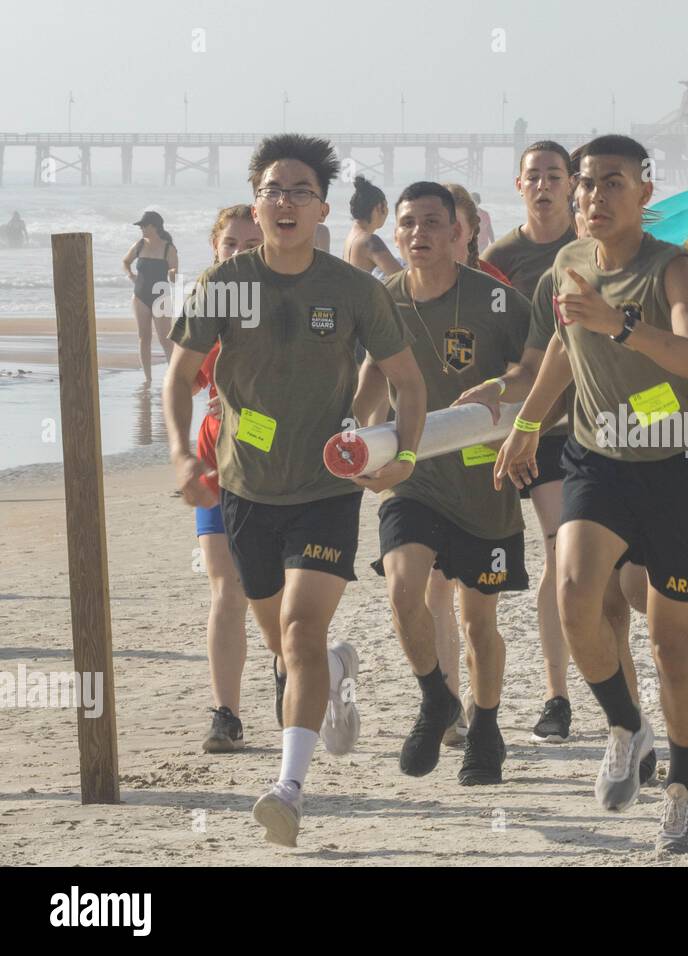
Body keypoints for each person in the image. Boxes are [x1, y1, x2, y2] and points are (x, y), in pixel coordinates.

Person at [164, 134, 427, 847]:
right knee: (286, 646)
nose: (284, 203)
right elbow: (178, 375)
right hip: (246, 489)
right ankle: (337, 668)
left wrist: (400, 454)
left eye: (300, 192)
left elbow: (406, 381)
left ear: (321, 209)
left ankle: (288, 788)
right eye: (273, 190)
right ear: (257, 200)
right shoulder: (225, 283)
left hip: (326, 485)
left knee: (300, 631)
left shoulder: (352, 290)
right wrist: (182, 452)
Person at [495, 134, 688, 855]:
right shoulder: (568, 264)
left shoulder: (676, 270)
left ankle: (684, 789)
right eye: (586, 184)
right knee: (574, 594)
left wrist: (619, 323)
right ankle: (625, 724)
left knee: (671, 645)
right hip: (598, 458)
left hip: (677, 466)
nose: (593, 197)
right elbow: (567, 345)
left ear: (645, 193)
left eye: (611, 184)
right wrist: (529, 423)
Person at [352, 181, 532, 785]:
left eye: (433, 223)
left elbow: (536, 373)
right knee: (404, 586)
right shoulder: (385, 301)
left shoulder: (497, 301)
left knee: (479, 621)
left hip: (485, 480)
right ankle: (435, 698)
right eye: (408, 224)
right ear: (395, 233)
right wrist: (359, 440)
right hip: (414, 475)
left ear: (459, 232)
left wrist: (502, 397)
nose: (419, 234)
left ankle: (486, 723)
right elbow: (374, 381)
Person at [481, 142, 585, 741]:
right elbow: (490, 340)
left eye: (555, 175)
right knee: (538, 557)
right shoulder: (503, 258)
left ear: (572, 183)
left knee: (570, 558)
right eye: (534, 177)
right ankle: (545, 693)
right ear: (518, 185)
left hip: (588, 426)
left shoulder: (592, 248)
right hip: (524, 428)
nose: (544, 185)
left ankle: (572, 690)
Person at [192, 204, 264, 753]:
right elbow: (185, 378)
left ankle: (298, 669)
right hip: (217, 460)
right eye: (230, 244)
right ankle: (226, 713)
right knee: (225, 587)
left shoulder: (291, 301)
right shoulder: (207, 305)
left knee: (273, 594)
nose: (239, 253)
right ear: (216, 249)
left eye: (250, 243)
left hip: (277, 467)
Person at [122, 210, 178, 382]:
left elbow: (175, 270)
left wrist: (172, 272)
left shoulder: (168, 248)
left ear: (154, 226)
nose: (141, 229)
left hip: (161, 296)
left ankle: (174, 377)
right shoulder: (139, 245)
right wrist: (130, 275)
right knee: (143, 336)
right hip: (140, 295)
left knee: (165, 338)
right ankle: (148, 378)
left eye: (144, 226)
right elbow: (125, 261)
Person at [446, 184, 509, 284]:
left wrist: (492, 242)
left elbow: (489, 228)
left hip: (482, 243)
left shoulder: (496, 282)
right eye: (434, 224)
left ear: (470, 231)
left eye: (455, 228)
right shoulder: (414, 280)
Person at [343, 175, 402, 277]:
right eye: (386, 206)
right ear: (380, 207)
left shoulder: (350, 238)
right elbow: (402, 279)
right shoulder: (370, 241)